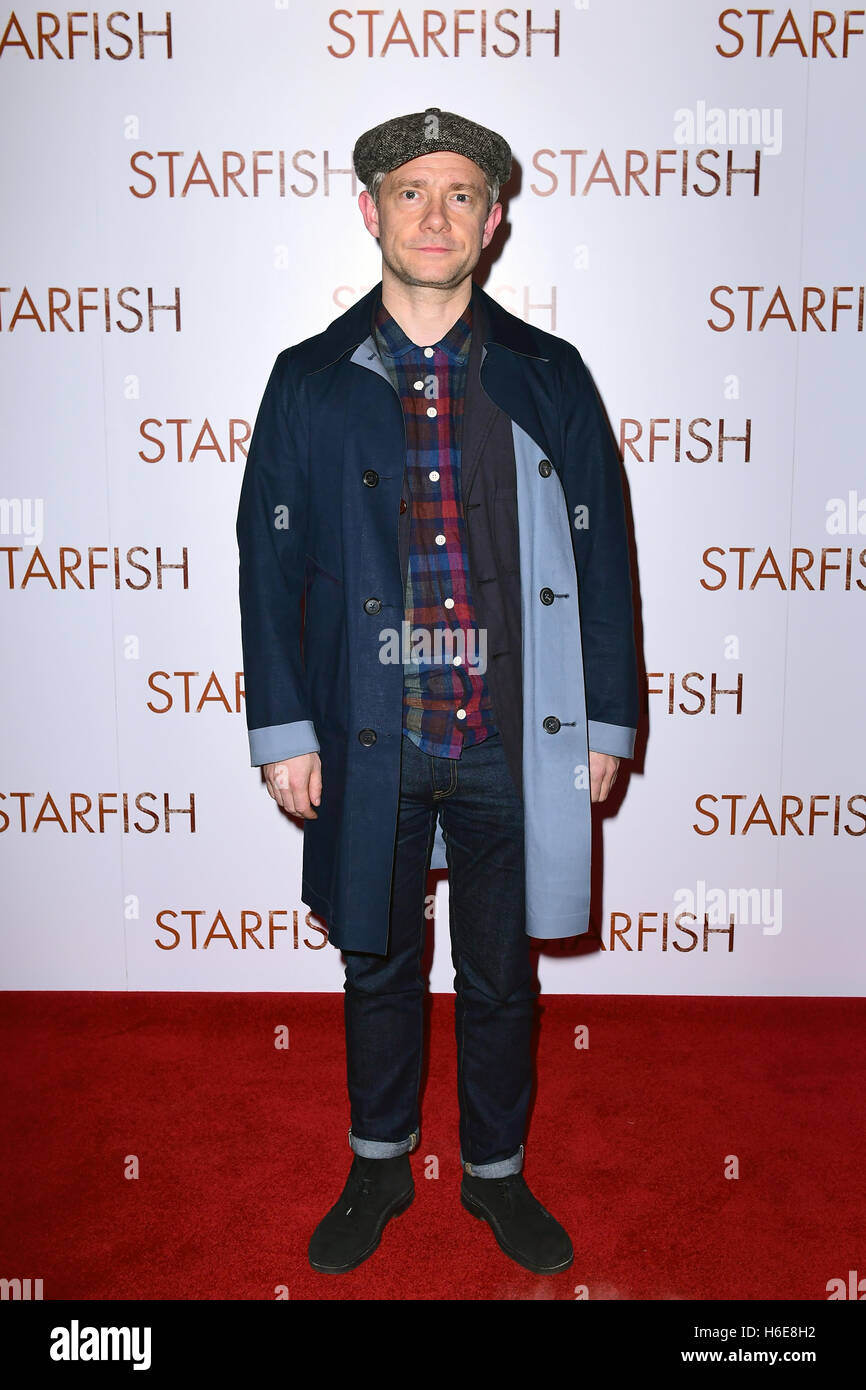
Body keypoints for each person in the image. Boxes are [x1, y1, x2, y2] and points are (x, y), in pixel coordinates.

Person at [236, 106, 639, 1278]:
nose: (434, 213)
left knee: (501, 964)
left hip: (511, 730)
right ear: (369, 211)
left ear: (494, 220)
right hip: (371, 733)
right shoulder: (306, 381)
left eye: (460, 193)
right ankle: (376, 1163)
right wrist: (284, 728)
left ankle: (495, 1176)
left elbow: (602, 553)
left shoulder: (547, 374)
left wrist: (606, 718)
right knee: (375, 954)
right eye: (410, 191)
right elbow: (267, 565)